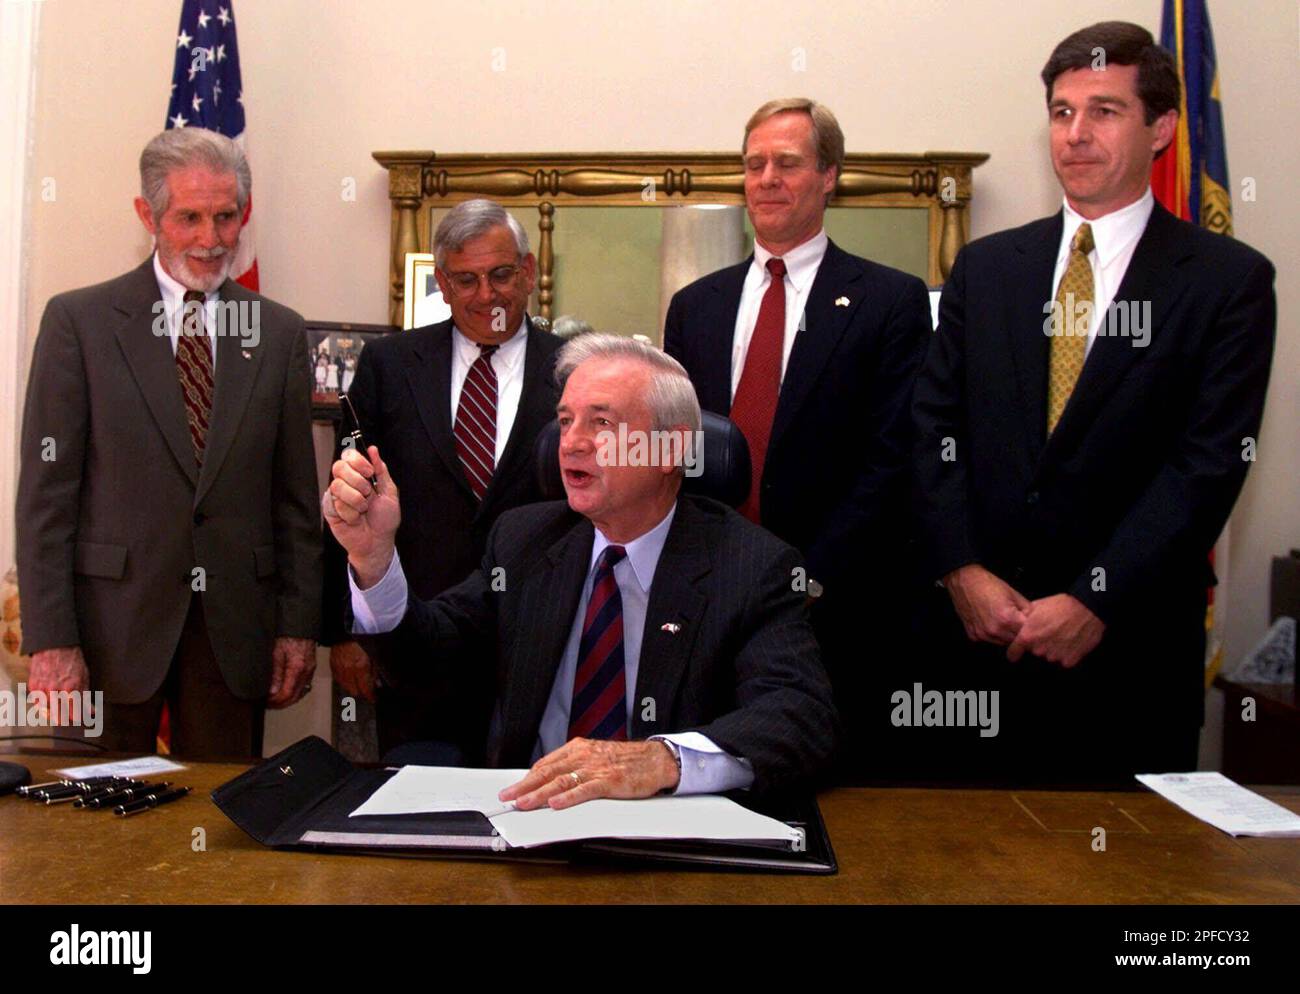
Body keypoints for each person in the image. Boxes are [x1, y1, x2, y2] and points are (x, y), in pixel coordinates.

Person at [912, 21, 1276, 784]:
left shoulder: (1227, 282)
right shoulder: (986, 269)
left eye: (1104, 111)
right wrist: (962, 569)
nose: (1076, 134)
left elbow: (1206, 465)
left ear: (1163, 128)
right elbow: (932, 427)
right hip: (981, 644)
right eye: (1061, 112)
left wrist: (1093, 600)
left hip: (1131, 653)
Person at [324, 334, 836, 803]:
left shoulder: (752, 566)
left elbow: (800, 718)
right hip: (528, 822)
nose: (570, 442)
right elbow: (429, 661)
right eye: (566, 420)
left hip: (668, 842)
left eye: (602, 422)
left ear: (671, 448)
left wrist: (661, 760)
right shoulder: (525, 541)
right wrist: (374, 559)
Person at [17, 127, 321, 759]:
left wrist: (297, 627)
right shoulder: (79, 323)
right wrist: (52, 639)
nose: (211, 241)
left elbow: (294, 499)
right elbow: (47, 497)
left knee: (223, 836)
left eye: (225, 217)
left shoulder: (280, 332)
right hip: (107, 635)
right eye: (189, 218)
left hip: (234, 635)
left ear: (245, 213)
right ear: (147, 215)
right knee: (97, 837)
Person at [663, 98, 932, 780]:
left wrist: (808, 577)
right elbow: (679, 455)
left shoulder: (888, 300)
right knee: (708, 784)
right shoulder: (697, 306)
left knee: (826, 794)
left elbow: (892, 458)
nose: (767, 179)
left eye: (787, 163)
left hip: (837, 602)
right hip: (706, 598)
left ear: (830, 175)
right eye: (754, 164)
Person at [321, 199, 564, 762]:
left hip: (538, 642)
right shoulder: (390, 365)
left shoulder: (573, 368)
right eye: (466, 279)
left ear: (527, 273)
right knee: (415, 816)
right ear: (443, 285)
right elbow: (345, 503)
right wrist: (345, 632)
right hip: (413, 641)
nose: (487, 294)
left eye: (501, 274)